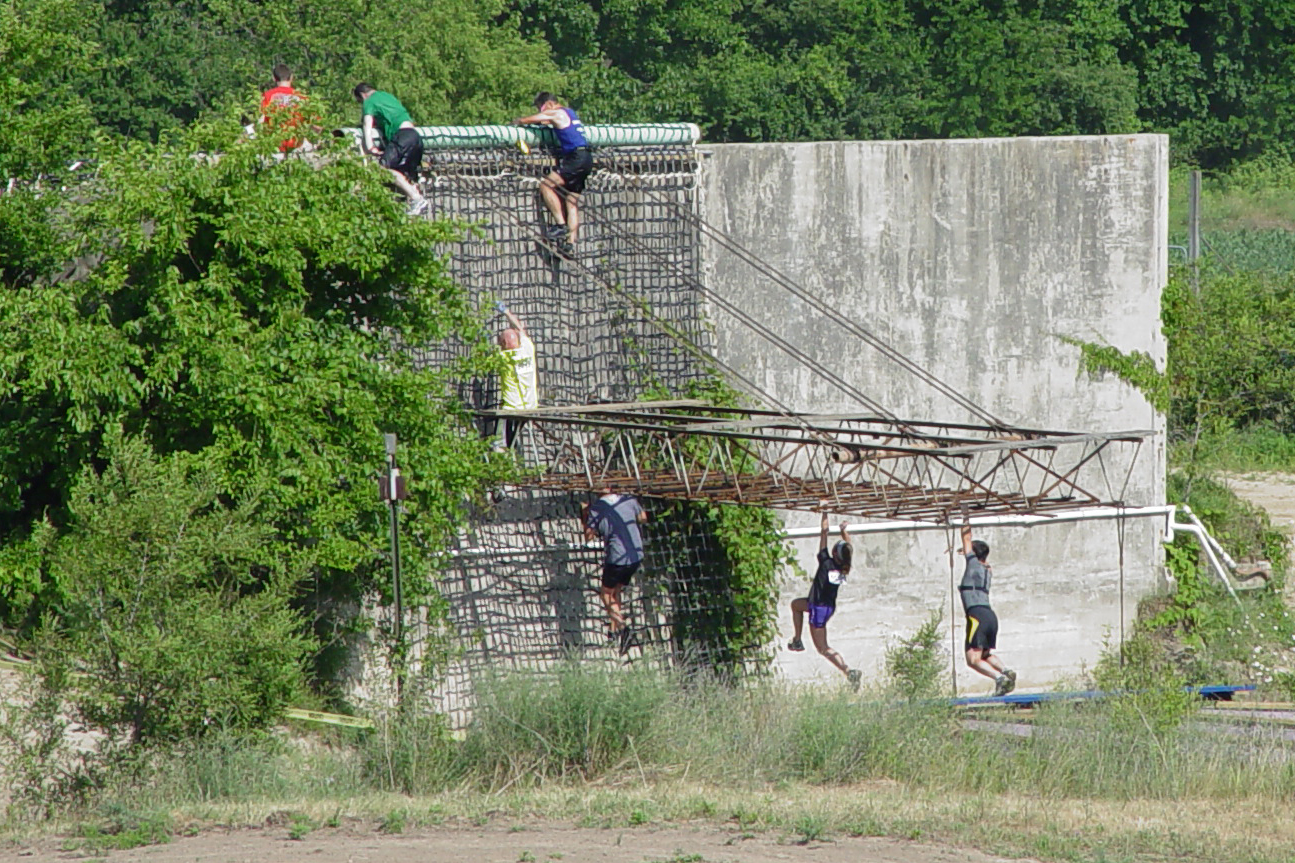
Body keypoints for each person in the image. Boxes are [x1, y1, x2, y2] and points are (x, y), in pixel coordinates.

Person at [788, 513, 862, 690]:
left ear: (834, 553)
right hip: (826, 606)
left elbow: (824, 531)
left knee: (823, 648)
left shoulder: (825, 564)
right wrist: (844, 531)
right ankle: (797, 639)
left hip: (818, 608)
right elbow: (849, 547)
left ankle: (848, 671)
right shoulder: (845, 567)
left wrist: (825, 512)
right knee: (796, 604)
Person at [514, 92, 592, 256]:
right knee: (571, 202)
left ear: (549, 104)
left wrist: (519, 121)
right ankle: (570, 245)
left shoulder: (557, 112)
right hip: (586, 158)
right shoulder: (570, 112)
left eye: (541, 108)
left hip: (575, 158)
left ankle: (560, 225)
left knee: (546, 185)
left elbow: (532, 119)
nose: (542, 112)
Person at [959, 508, 1017, 696]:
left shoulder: (973, 564)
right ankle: (1005, 671)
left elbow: (966, 539)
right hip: (990, 615)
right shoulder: (987, 569)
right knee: (984, 654)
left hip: (977, 615)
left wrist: (964, 515)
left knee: (973, 659)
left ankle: (1000, 679)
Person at [582, 487, 648, 651]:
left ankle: (623, 627)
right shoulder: (628, 499)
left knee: (605, 594)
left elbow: (588, 537)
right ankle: (613, 632)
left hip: (617, 557)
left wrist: (585, 514)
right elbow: (643, 518)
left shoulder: (597, 508)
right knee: (616, 590)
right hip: (636, 555)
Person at [352, 83, 428, 216]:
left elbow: (367, 124)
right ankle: (413, 203)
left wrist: (370, 147)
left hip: (402, 136)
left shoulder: (369, 101)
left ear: (363, 96)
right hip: (415, 136)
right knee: (404, 174)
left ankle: (416, 198)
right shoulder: (387, 96)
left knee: (382, 169)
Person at [495, 301, 537, 449]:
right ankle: (514, 453)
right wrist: (507, 312)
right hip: (530, 406)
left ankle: (509, 454)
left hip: (512, 408)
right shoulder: (527, 349)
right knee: (515, 434)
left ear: (503, 344)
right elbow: (519, 328)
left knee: (504, 437)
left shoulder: (503, 358)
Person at [260, 64, 308, 152]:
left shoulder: (267, 96)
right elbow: (316, 126)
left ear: (274, 78)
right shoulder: (302, 97)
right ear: (291, 77)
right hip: (297, 148)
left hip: (273, 148)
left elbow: (259, 121)